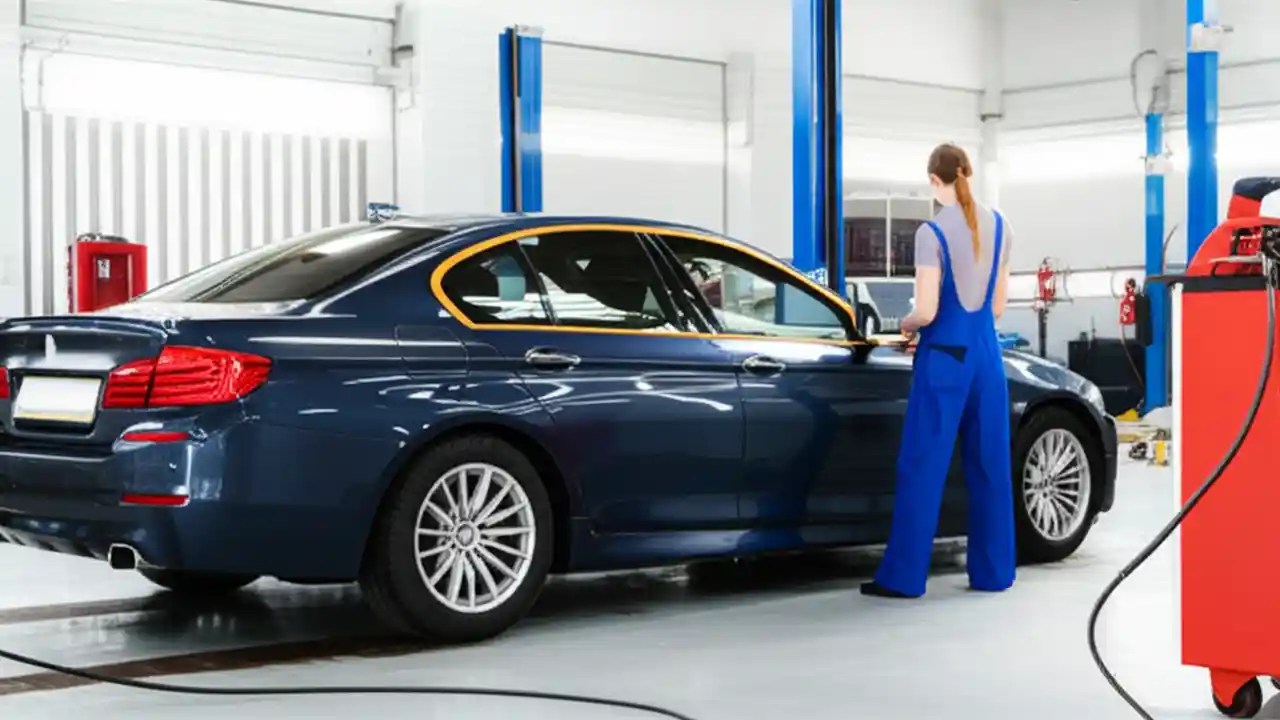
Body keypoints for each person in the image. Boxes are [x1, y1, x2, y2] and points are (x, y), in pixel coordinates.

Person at [861, 143, 1015, 599]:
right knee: (990, 465)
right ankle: (994, 573)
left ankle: (904, 577)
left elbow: (926, 310)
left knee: (922, 464)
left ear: (934, 180)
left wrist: (904, 325)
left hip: (945, 356)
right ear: (967, 172)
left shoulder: (931, 233)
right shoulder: (1003, 227)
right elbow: (1000, 307)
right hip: (988, 355)